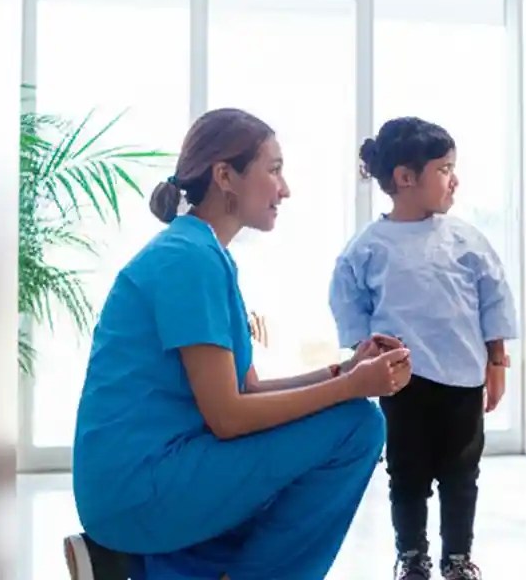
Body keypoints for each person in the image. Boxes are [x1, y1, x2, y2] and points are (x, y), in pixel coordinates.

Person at [64, 108, 414, 580]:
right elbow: (229, 418)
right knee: (356, 427)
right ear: (225, 176)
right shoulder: (189, 260)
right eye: (273, 170)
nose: (284, 188)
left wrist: (346, 370)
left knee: (327, 434)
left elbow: (247, 390)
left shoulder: (204, 254)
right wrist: (351, 390)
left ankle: (145, 566)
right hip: (136, 488)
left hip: (147, 476)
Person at [329, 117, 520, 580]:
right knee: (407, 476)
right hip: (403, 384)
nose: (455, 179)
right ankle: (411, 556)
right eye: (444, 168)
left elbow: (494, 297)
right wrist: (362, 350)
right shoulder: (370, 246)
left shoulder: (466, 239)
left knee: (461, 476)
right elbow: (348, 299)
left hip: (462, 381)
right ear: (405, 178)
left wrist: (497, 361)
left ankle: (457, 559)